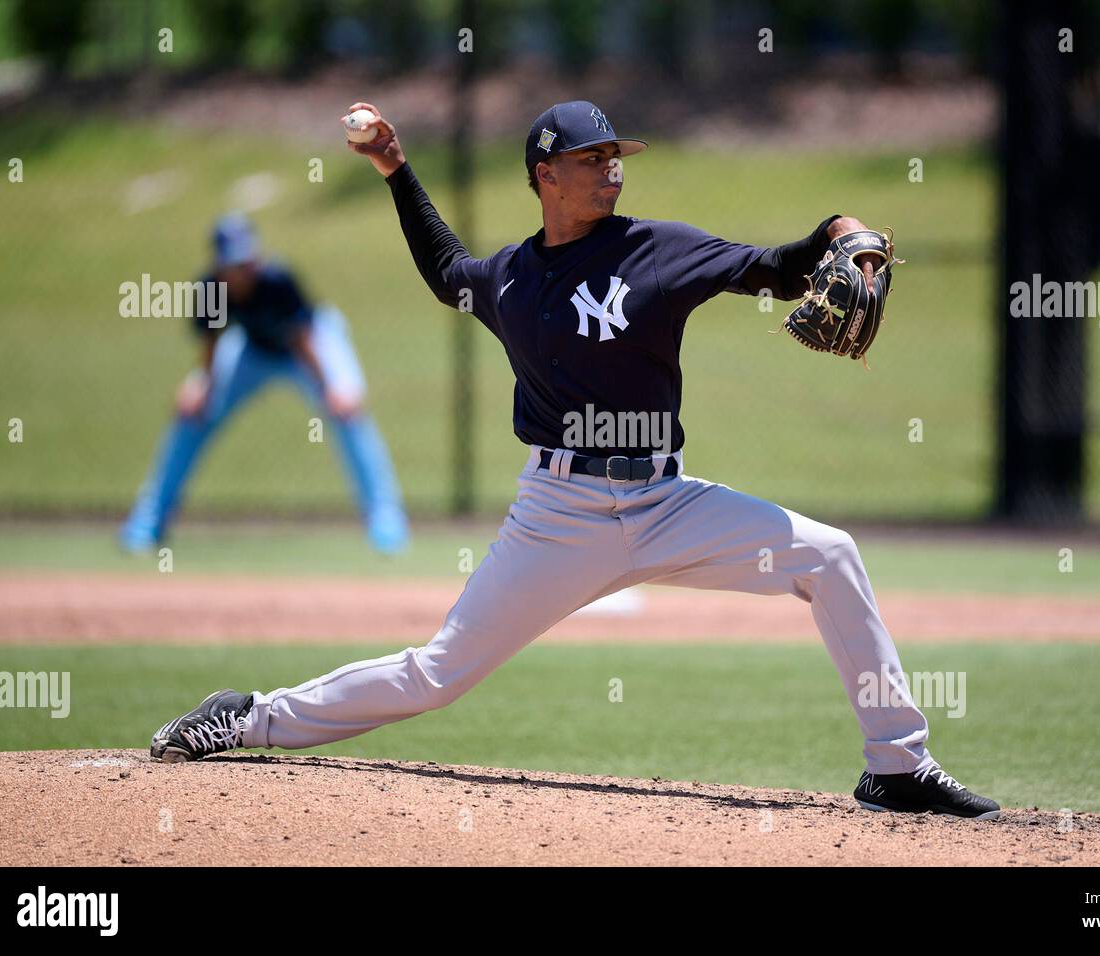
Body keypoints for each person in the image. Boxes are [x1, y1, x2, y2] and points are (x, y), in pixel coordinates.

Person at [149, 101, 999, 820]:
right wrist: (394, 167)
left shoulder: (658, 250)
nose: (612, 169)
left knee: (832, 556)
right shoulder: (513, 278)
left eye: (615, 156)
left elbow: (775, 266)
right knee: (438, 674)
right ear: (545, 174)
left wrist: (842, 233)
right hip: (558, 518)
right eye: (592, 158)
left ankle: (896, 764)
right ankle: (251, 718)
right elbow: (449, 271)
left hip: (667, 506)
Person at [121, 213, 408, 554]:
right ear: (218, 264)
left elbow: (303, 339)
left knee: (346, 411)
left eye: (246, 261)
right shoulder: (210, 288)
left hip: (310, 349)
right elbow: (211, 344)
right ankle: (149, 520)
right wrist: (203, 386)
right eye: (234, 264)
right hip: (252, 352)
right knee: (193, 413)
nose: (243, 270)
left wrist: (332, 387)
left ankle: (386, 519)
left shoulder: (276, 280)